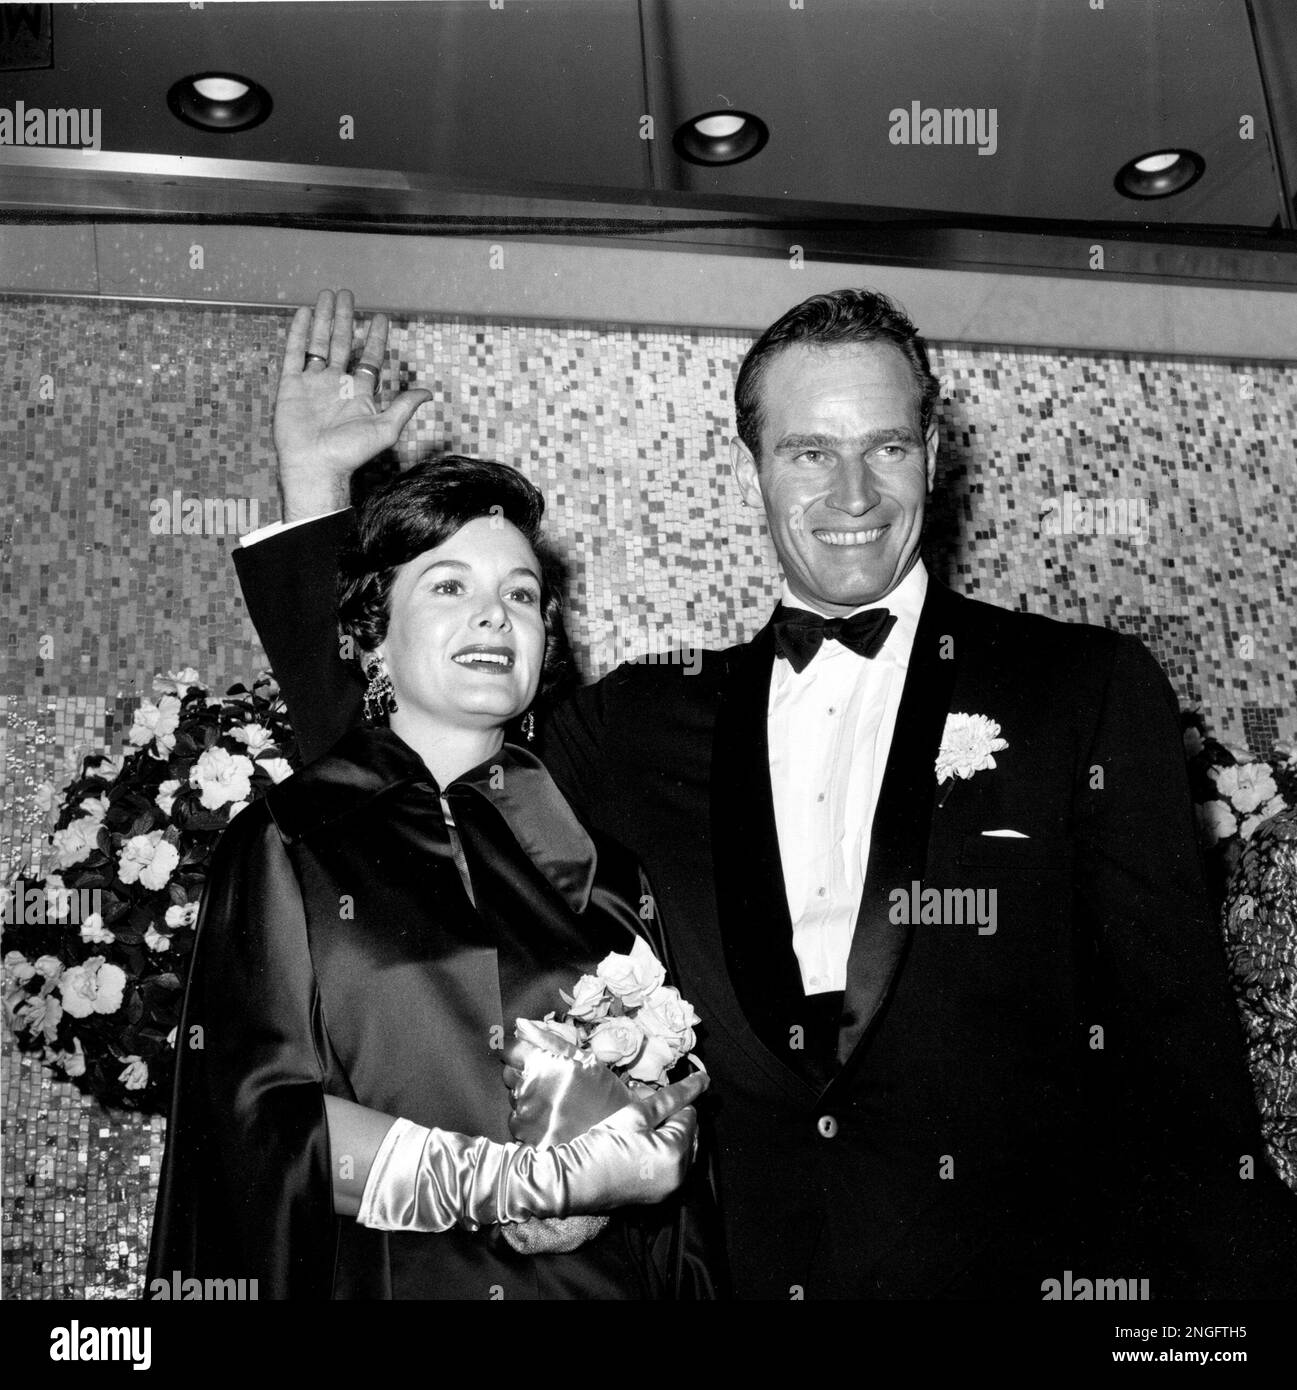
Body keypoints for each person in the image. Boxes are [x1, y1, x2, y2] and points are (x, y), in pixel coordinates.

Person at [236, 288, 1297, 1299]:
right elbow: (402, 807)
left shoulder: (1085, 688)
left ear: (930, 455)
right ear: (754, 466)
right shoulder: (638, 723)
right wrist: (315, 498)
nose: (852, 495)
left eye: (885, 446)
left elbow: (1181, 1071)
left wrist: (1206, 1336)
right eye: (808, 452)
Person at [148, 443, 714, 1300]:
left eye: (519, 596)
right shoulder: (288, 838)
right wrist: (520, 1184)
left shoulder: (604, 869)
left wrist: (658, 1153)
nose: (494, 617)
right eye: (449, 586)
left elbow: (664, 1128)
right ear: (370, 634)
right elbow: (258, 1124)